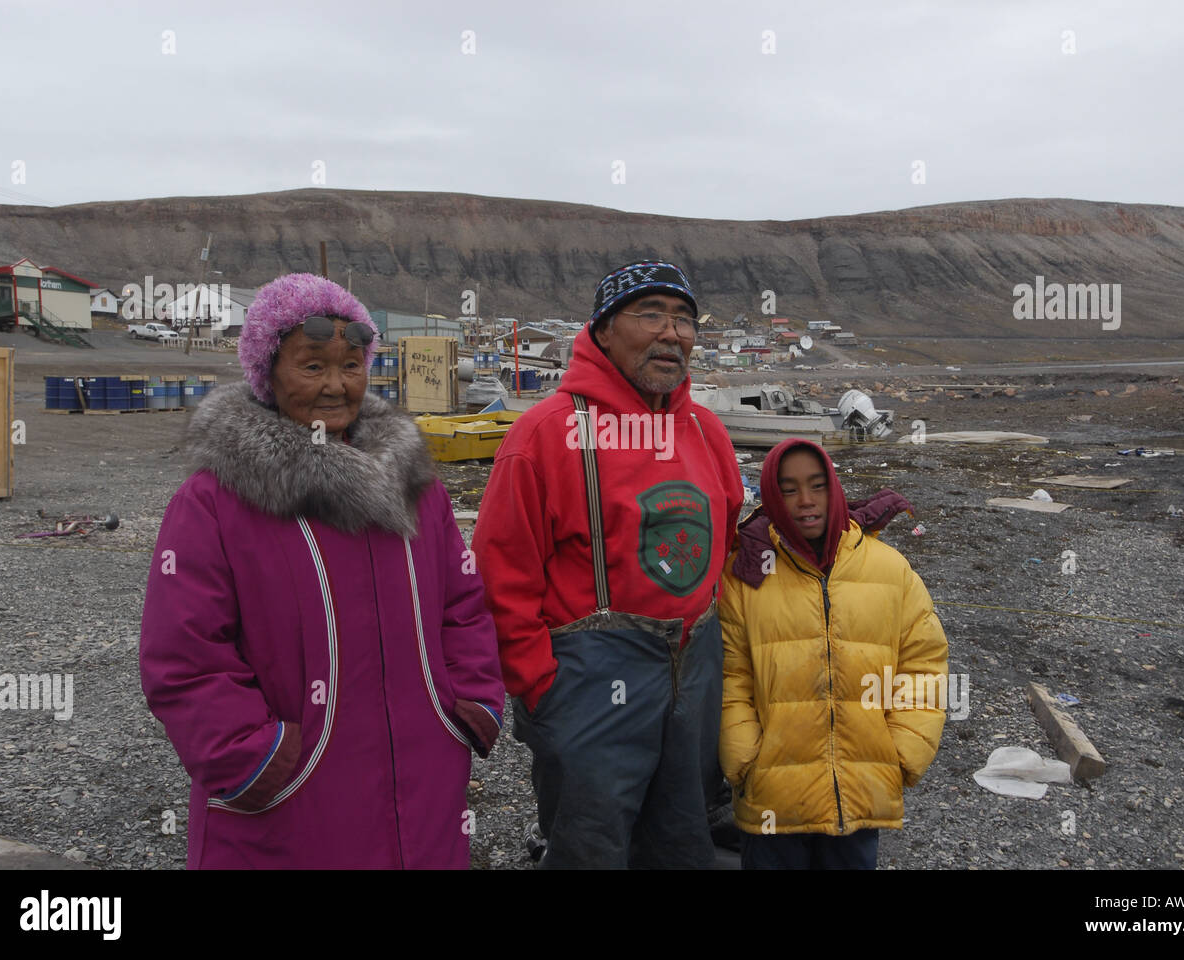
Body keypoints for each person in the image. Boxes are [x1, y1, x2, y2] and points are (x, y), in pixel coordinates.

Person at [139, 272, 504, 869]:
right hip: (290, 800)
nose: (337, 385)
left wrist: (467, 705)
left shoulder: (416, 488)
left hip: (425, 787)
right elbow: (184, 657)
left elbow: (462, 606)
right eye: (312, 366)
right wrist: (252, 757)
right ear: (266, 373)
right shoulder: (214, 502)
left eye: (352, 364)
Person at [473, 260, 744, 868]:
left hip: (693, 680)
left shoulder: (706, 433)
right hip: (588, 691)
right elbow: (500, 576)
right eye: (650, 315)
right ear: (601, 331)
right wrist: (543, 691)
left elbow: (723, 545)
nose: (671, 334)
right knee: (588, 848)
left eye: (684, 321)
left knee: (685, 840)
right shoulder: (545, 434)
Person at [718, 438, 948, 869]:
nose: (805, 501)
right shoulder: (748, 575)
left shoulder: (889, 569)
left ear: (835, 488)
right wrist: (745, 756)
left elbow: (923, 661)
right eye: (788, 489)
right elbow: (731, 675)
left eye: (817, 485)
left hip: (861, 791)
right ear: (770, 494)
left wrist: (903, 751)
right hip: (773, 795)